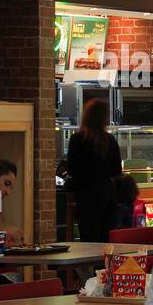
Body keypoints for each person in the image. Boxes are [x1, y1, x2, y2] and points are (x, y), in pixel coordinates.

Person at [66, 98, 122, 242]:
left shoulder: (78, 139)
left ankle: (91, 264)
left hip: (87, 195)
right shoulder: (110, 140)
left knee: (89, 238)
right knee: (106, 239)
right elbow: (116, 171)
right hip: (108, 194)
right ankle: (103, 265)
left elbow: (72, 169)